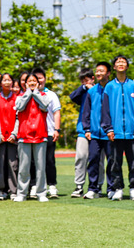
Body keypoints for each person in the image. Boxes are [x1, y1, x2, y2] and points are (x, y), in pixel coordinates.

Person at [102, 55, 134, 201]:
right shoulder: (109, 87)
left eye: (123, 62)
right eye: (118, 62)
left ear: (127, 66)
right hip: (115, 133)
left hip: (132, 132)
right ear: (114, 67)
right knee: (114, 162)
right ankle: (117, 188)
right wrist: (108, 129)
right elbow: (105, 111)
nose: (121, 64)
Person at [12, 72, 51, 202]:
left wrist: (36, 93)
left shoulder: (44, 96)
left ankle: (41, 193)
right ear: (25, 84)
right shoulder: (20, 97)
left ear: (39, 83)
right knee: (24, 167)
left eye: (34, 81)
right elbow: (19, 107)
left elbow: (45, 106)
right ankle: (21, 193)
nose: (32, 83)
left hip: (40, 135)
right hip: (24, 135)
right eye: (30, 81)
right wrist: (29, 93)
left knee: (40, 167)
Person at [80, 62, 112, 199]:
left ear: (108, 73)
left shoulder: (114, 89)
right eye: (97, 71)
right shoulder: (91, 91)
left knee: (112, 161)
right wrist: (86, 128)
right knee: (93, 160)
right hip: (94, 133)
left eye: (101, 71)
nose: (98, 74)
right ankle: (93, 188)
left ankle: (112, 188)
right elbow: (86, 112)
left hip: (111, 133)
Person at [31, 67, 62, 198]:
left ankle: (52, 186)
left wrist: (56, 129)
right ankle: (34, 186)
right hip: (33, 133)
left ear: (45, 79)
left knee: (49, 160)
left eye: (41, 78)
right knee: (33, 161)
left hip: (48, 131)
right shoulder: (29, 94)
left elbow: (56, 112)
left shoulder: (51, 95)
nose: (39, 81)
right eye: (36, 78)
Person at [0, 73, 19, 200]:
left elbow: (19, 118)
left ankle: (13, 190)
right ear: (0, 83)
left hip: (13, 138)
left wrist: (14, 133)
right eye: (5, 80)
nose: (7, 82)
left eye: (9, 80)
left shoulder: (17, 99)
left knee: (13, 165)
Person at [69, 69, 94, 197]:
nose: (85, 82)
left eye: (87, 79)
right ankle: (79, 186)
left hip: (97, 131)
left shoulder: (100, 90)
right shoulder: (83, 92)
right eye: (82, 81)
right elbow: (72, 97)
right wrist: (84, 87)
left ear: (93, 78)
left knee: (97, 161)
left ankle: (96, 187)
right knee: (80, 157)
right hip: (83, 130)